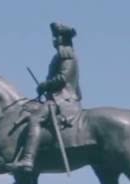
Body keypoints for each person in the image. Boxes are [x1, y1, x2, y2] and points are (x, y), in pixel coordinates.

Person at [10, 21, 82, 174]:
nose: (54, 40)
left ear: (64, 38)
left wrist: (45, 85)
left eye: (57, 37)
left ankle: (28, 159)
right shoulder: (59, 56)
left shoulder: (67, 55)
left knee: (36, 118)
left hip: (64, 99)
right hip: (56, 97)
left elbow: (63, 78)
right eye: (54, 37)